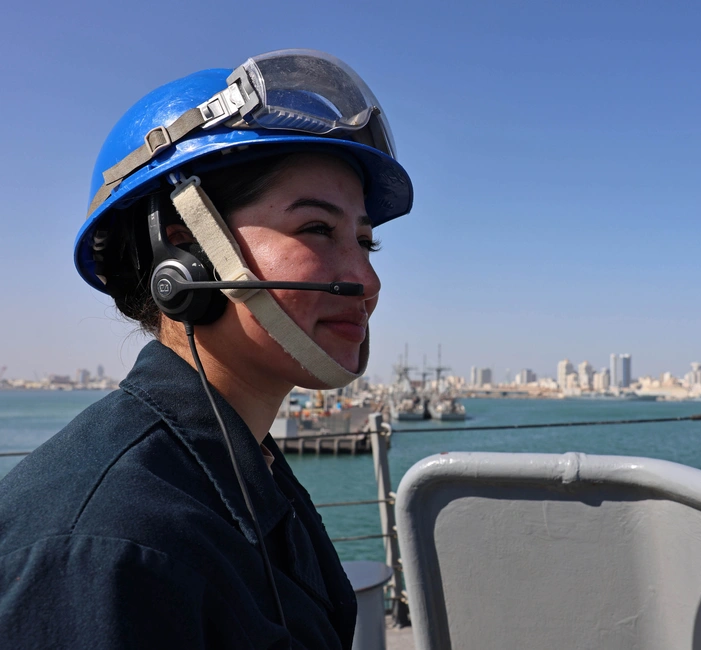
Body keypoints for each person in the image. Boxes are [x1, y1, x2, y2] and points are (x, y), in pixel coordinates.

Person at [0, 49, 413, 648]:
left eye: (366, 243)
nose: (366, 280)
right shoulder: (105, 546)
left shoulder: (244, 470)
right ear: (185, 254)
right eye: (317, 230)